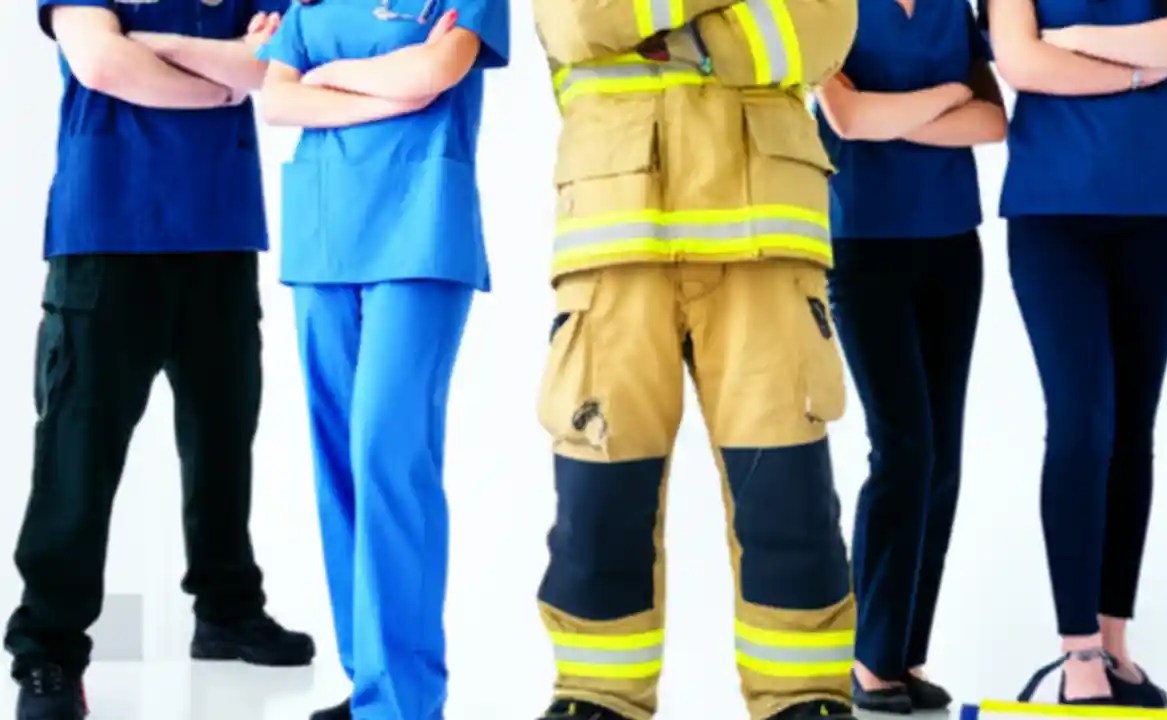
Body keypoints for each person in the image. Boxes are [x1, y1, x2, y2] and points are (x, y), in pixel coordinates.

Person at [529, 1, 859, 718]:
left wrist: (650, 32)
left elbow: (819, 35)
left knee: (786, 495)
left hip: (765, 232)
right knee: (601, 493)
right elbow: (579, 22)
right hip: (617, 232)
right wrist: (720, 35)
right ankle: (597, 694)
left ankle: (804, 694)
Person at [7, 1, 317, 717]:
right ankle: (48, 650)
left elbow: (271, 68)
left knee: (223, 439)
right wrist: (216, 87)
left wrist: (154, 45)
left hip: (220, 228)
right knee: (78, 451)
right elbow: (100, 62)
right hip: (107, 232)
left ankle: (226, 610)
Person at [255, 0, 508, 716]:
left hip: (419, 223)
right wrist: (384, 84)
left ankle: (403, 700)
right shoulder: (308, 5)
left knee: (387, 453)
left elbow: (432, 74)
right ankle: (368, 677)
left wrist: (328, 78)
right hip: (324, 233)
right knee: (339, 463)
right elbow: (277, 101)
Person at [981, 0, 1167, 707]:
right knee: (1082, 424)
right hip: (1053, 215)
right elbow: (1023, 62)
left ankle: (1115, 641)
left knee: (1131, 431)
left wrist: (1081, 41)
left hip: (1164, 211)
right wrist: (1144, 69)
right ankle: (1078, 651)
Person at [813, 0, 1006, 713]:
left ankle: (903, 654)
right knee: (903, 450)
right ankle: (868, 657)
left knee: (941, 459)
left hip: (952, 245)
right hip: (862, 245)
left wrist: (894, 115)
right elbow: (846, 118)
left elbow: (994, 121)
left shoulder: (953, 7)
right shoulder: (832, 8)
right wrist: (948, 95)